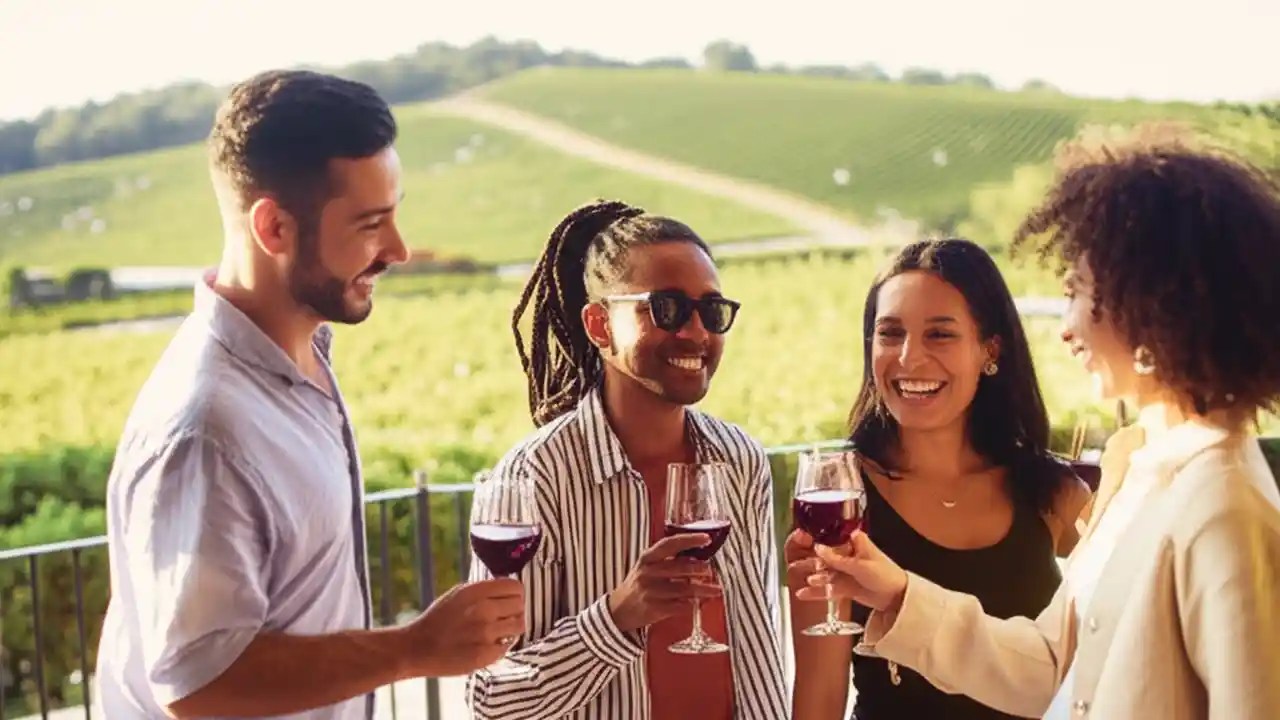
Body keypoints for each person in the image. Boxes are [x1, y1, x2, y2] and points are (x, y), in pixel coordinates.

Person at [800, 126, 1280, 718]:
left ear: (1156, 306)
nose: (1066, 328)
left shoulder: (1224, 508)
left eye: (1077, 292)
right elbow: (1052, 666)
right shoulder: (1142, 471)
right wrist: (897, 592)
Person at [95, 69, 525, 719]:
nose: (399, 250)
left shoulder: (300, 358)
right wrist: (414, 648)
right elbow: (198, 683)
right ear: (274, 228)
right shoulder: (207, 429)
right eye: (371, 224)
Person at [464, 200, 789, 719]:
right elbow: (493, 699)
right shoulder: (537, 477)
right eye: (667, 308)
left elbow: (756, 646)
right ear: (599, 325)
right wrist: (617, 618)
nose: (696, 332)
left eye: (711, 311)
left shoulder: (740, 460)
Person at [787, 237, 1090, 719]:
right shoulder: (840, 503)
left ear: (989, 349)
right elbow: (819, 701)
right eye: (890, 334)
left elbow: (1116, 649)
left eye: (940, 335)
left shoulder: (1053, 491)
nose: (909, 358)